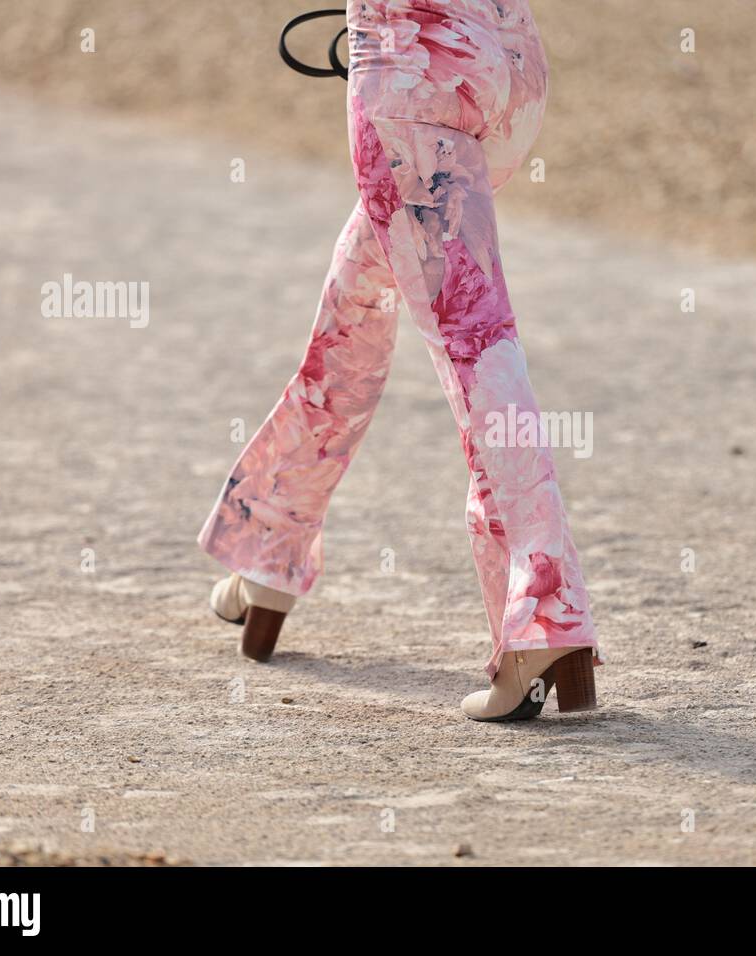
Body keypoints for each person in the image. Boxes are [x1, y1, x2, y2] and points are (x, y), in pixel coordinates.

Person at [199, 0, 601, 721]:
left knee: (475, 347)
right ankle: (270, 548)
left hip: (410, 69)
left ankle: (544, 610)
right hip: (504, 57)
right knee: (354, 313)